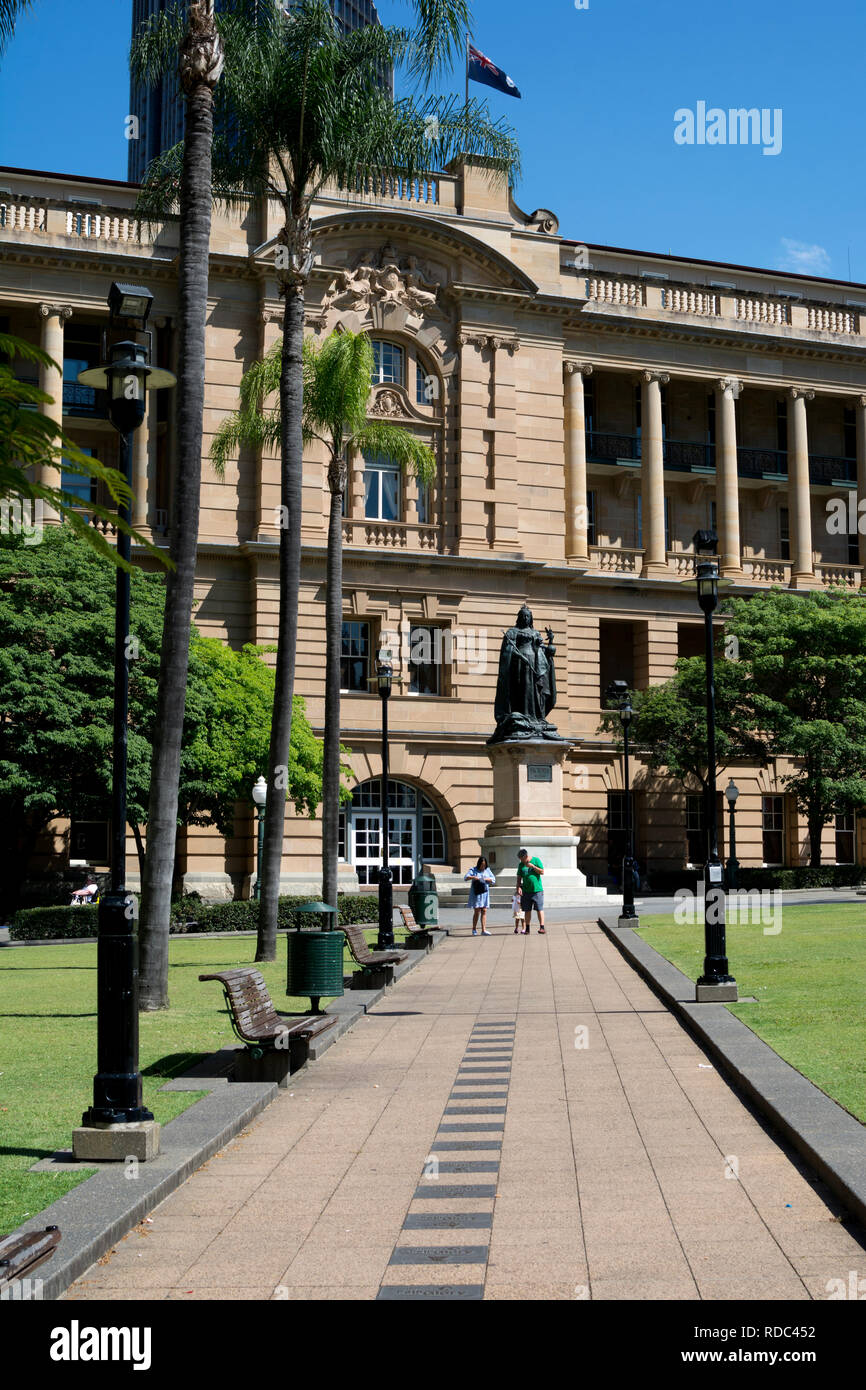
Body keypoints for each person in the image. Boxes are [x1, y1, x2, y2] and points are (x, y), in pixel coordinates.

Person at [516, 847, 545, 934]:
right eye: (520, 859)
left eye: (522, 859)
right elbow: (519, 877)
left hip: (537, 890)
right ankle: (527, 928)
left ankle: (542, 927)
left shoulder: (536, 860)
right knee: (527, 910)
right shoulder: (521, 865)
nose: (521, 861)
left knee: (539, 909)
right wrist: (518, 887)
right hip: (526, 890)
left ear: (526, 856)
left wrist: (533, 866)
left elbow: (542, 872)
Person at [465, 856, 495, 935]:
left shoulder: (487, 870)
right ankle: (474, 929)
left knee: (484, 910)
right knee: (477, 911)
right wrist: (474, 877)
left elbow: (493, 879)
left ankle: (483, 930)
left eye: (484, 865)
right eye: (482, 864)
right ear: (479, 864)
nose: (483, 866)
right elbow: (466, 877)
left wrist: (484, 879)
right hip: (477, 893)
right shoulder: (473, 870)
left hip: (484, 893)